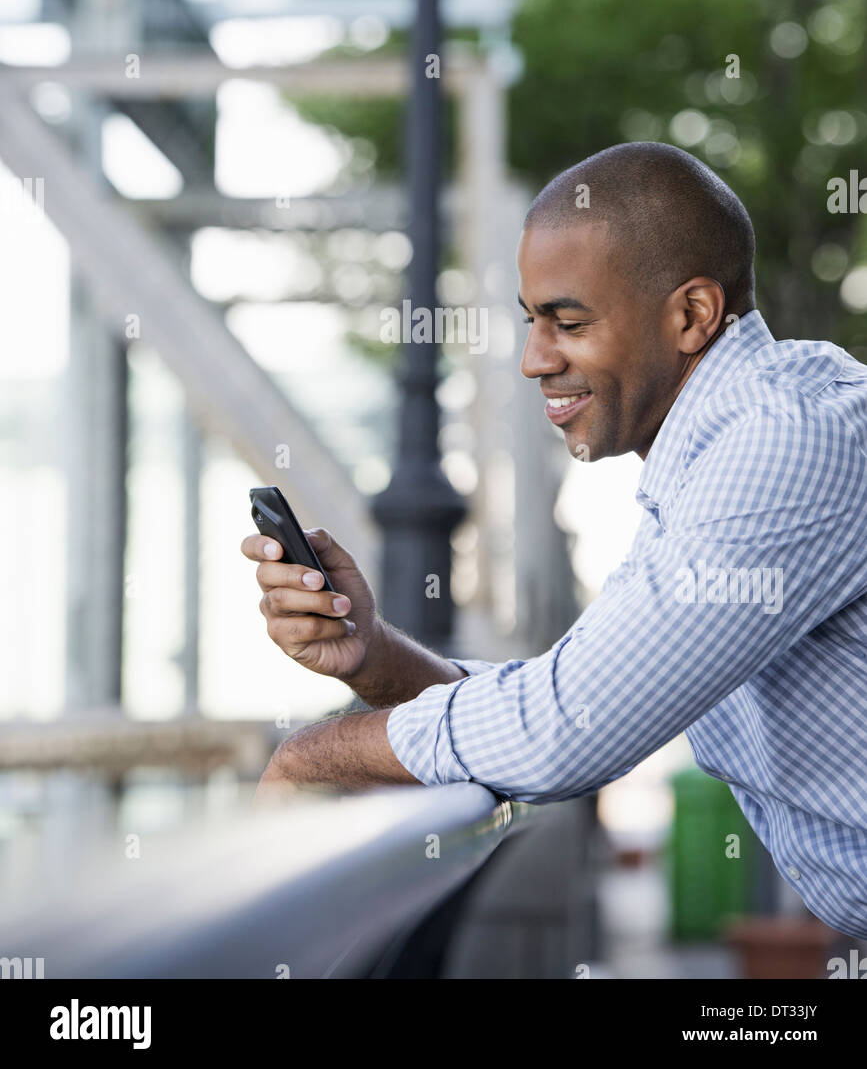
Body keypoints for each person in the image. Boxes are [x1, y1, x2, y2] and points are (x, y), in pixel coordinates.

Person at [241, 141, 867, 939]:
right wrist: (373, 655)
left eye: (567, 322)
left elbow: (564, 729)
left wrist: (311, 758)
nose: (535, 360)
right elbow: (566, 697)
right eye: (531, 321)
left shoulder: (783, 444)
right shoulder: (725, 447)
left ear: (691, 315)